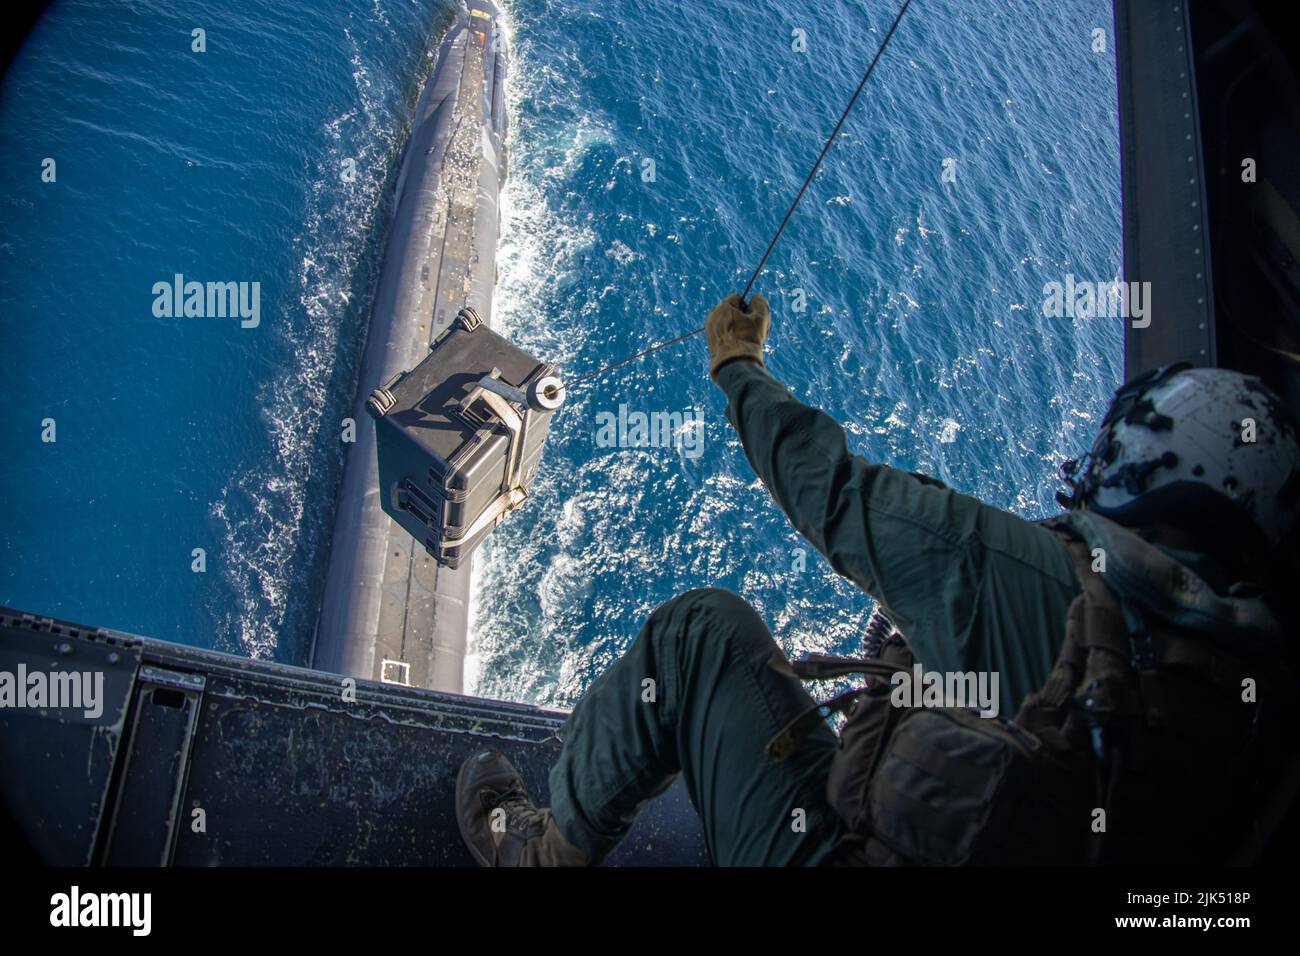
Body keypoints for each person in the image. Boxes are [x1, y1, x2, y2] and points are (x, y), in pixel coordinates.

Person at [456, 293, 1300, 866]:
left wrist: (738, 364)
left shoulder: (1051, 584)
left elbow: (833, 493)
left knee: (699, 634)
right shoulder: (1252, 695)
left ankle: (540, 854)